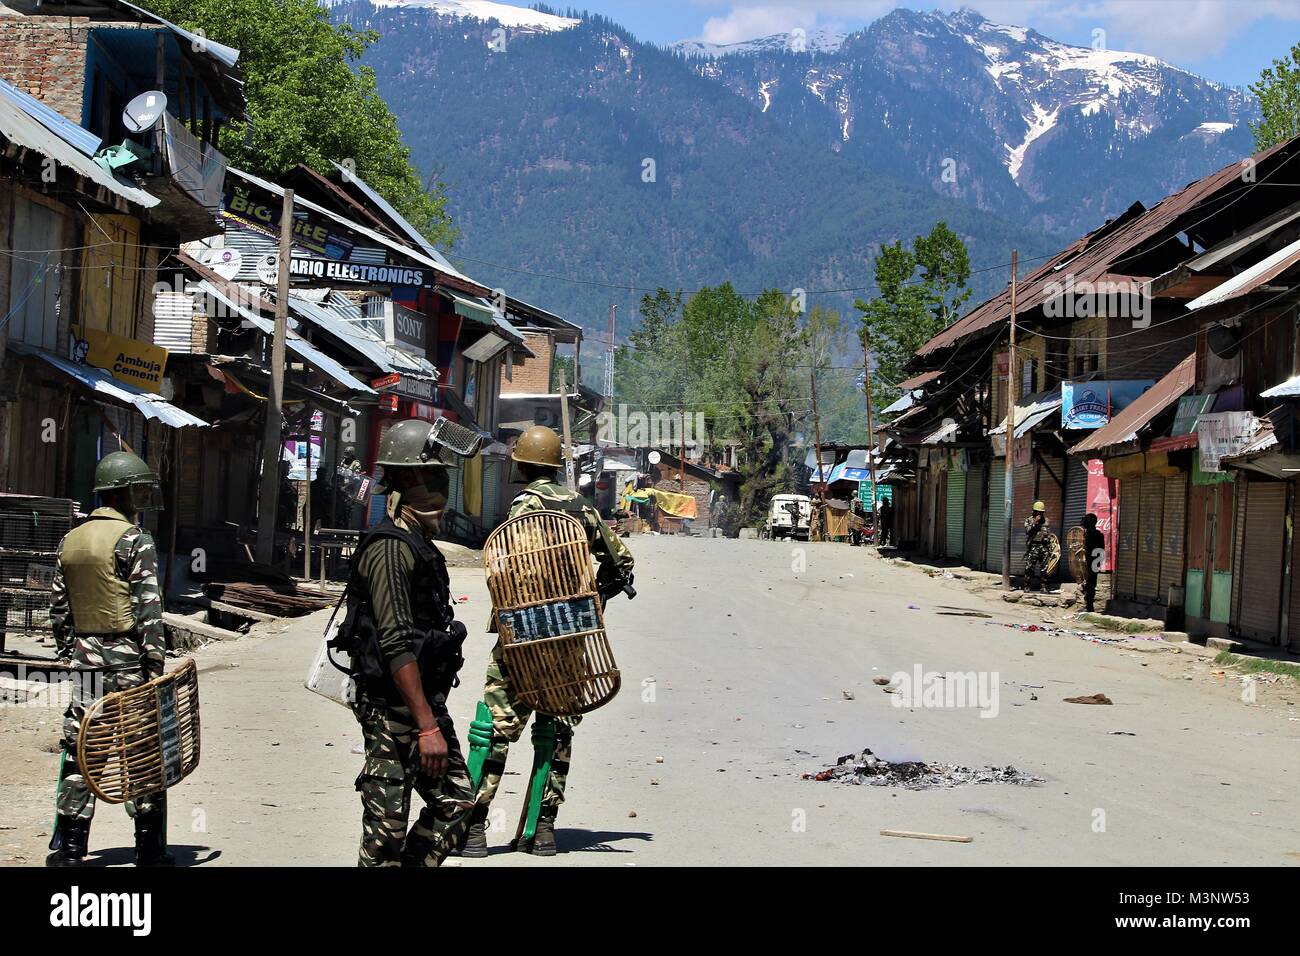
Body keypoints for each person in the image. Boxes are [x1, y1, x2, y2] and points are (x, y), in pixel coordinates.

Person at [462, 425, 635, 858]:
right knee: (556, 728)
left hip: (521, 633)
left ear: (520, 464)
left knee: (494, 730)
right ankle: (542, 831)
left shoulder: (521, 508)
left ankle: (473, 830)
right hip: (570, 634)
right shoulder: (581, 507)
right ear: (556, 466)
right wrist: (589, 600)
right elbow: (622, 563)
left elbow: (503, 571)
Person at [342, 419, 474, 866]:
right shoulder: (390, 548)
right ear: (405, 478)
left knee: (456, 803)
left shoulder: (418, 543)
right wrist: (427, 726)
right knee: (386, 834)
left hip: (422, 705)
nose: (442, 484)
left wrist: (430, 718)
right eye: (434, 473)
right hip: (393, 709)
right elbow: (396, 641)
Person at [46, 451, 169, 867]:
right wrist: (155, 664)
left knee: (83, 749)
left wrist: (71, 652)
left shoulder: (71, 539)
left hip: (86, 665)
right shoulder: (135, 540)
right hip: (128, 662)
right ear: (124, 493)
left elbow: (59, 608)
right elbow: (148, 608)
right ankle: (149, 849)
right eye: (139, 488)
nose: (144, 496)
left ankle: (71, 849)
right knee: (141, 750)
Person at [1023, 500, 1051, 592]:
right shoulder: (1029, 520)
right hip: (1033, 547)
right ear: (1034, 511)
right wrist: (1035, 522)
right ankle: (1027, 586)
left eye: (1041, 512)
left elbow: (1048, 533)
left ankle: (1044, 586)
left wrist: (1050, 545)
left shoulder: (1046, 520)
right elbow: (1028, 531)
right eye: (1038, 511)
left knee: (1044, 568)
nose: (1040, 513)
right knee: (1029, 567)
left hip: (1044, 547)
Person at [1082, 512, 1106, 613]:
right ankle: (1089, 604)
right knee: (1091, 582)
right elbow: (1102, 550)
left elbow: (1090, 549)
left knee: (1090, 583)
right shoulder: (1098, 534)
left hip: (1092, 560)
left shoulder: (1089, 534)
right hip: (1096, 560)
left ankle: (1089, 606)